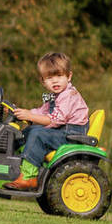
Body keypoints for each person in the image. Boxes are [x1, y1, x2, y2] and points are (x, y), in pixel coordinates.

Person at [5, 52, 89, 191]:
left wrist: (30, 116)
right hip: (62, 131)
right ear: (43, 81)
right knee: (30, 131)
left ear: (69, 76)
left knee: (38, 134)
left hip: (73, 134)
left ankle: (28, 176)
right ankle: (13, 159)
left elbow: (55, 120)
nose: (55, 81)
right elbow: (41, 112)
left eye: (59, 76)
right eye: (50, 78)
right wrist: (21, 113)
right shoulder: (55, 96)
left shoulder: (68, 95)